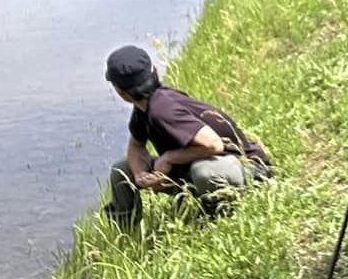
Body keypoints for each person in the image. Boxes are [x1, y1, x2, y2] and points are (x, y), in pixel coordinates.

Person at [101, 45, 270, 227]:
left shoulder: (162, 109)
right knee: (121, 170)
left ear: (120, 91)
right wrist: (141, 175)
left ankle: (218, 222)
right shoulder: (143, 108)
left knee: (203, 172)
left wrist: (168, 159)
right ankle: (126, 232)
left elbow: (213, 145)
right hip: (198, 167)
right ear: (154, 71)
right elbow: (136, 145)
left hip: (247, 168)